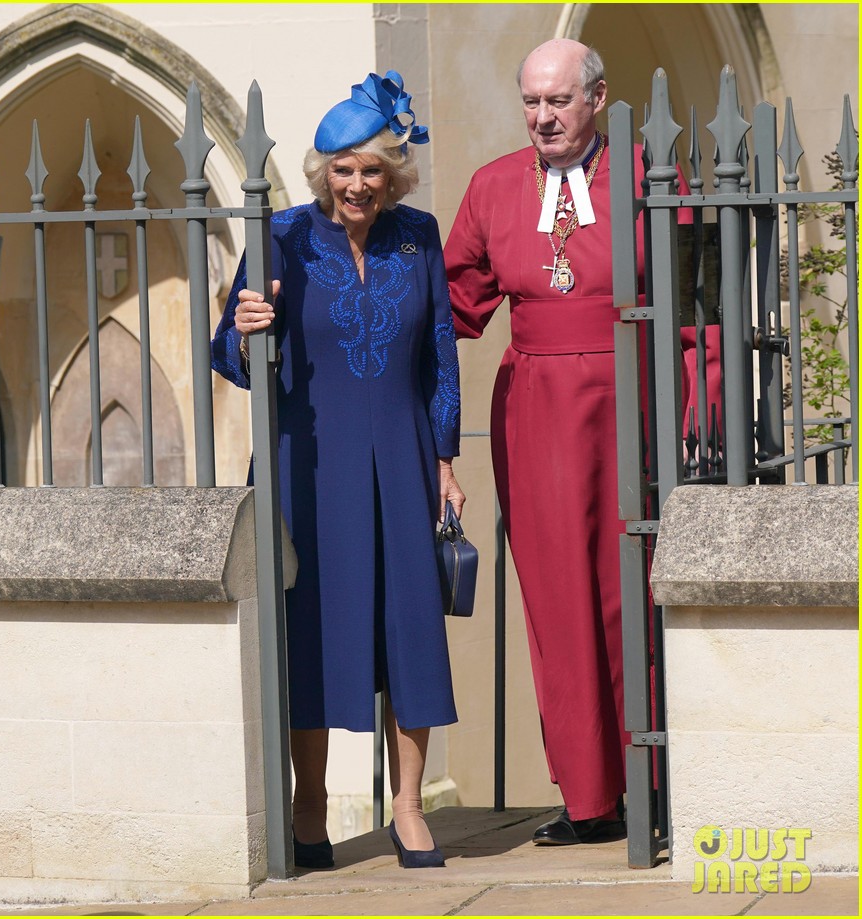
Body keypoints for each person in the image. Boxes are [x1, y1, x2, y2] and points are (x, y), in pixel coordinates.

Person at [212, 72, 465, 870]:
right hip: (305, 461)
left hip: (402, 451)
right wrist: (249, 325)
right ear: (324, 173)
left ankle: (411, 805)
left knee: (409, 627)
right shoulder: (280, 233)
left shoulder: (419, 237)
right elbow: (229, 353)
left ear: (395, 172)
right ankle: (310, 804)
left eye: (373, 169)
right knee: (311, 630)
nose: (358, 184)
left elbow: (442, 358)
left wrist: (448, 460)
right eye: (344, 170)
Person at [443, 39, 637, 846]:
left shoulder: (643, 173)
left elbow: (700, 289)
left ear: (595, 98)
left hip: (629, 400)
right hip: (535, 408)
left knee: (632, 587)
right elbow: (451, 300)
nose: (542, 117)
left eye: (558, 101)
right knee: (558, 601)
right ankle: (592, 798)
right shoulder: (493, 185)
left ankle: (655, 778)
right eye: (531, 102)